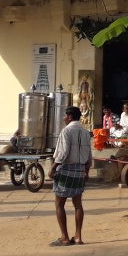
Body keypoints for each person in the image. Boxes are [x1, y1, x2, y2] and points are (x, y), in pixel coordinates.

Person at [48, 106, 92, 247]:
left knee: (59, 203)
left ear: (70, 117)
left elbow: (63, 152)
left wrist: (53, 167)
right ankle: (78, 236)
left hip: (66, 169)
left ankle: (65, 237)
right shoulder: (85, 132)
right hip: (80, 170)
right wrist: (86, 170)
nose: (63, 118)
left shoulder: (66, 131)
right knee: (78, 204)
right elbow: (89, 154)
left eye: (65, 116)